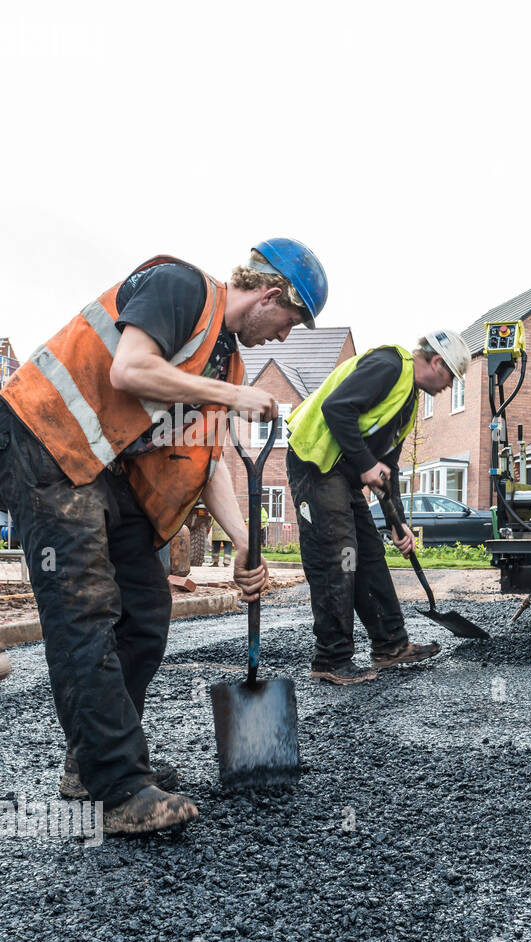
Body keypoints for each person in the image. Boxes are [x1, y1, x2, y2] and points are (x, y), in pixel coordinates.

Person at [0, 239, 328, 834]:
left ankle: (91, 763)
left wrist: (246, 542)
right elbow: (130, 367)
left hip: (104, 469)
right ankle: (118, 787)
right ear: (272, 295)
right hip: (44, 439)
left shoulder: (226, 361)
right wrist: (233, 397)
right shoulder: (183, 289)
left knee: (147, 609)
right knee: (86, 611)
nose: (285, 337)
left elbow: (209, 461)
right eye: (290, 322)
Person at [285, 327, 471, 685]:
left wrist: (397, 524)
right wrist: (367, 465)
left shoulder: (408, 402)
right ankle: (331, 658)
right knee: (340, 556)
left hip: (342, 473)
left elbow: (388, 470)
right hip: (314, 462)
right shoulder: (389, 366)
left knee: (368, 554)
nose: (449, 386)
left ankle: (390, 645)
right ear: (435, 362)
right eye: (450, 376)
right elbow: (335, 408)